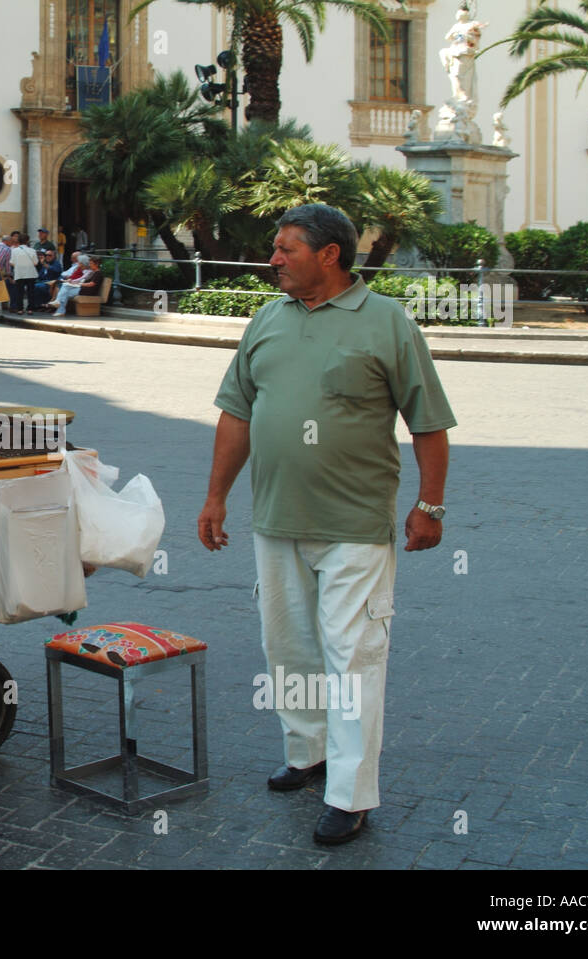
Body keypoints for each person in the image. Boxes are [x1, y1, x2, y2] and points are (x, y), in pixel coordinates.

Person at [197, 204, 455, 846]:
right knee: (288, 650)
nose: (274, 260)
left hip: (355, 525)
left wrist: (431, 504)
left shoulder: (387, 321)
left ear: (330, 255)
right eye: (275, 249)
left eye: (286, 249)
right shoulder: (267, 319)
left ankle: (350, 795)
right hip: (275, 519)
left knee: (354, 659)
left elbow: (428, 420)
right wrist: (215, 498)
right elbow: (236, 415)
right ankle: (307, 753)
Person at [8, 233, 39, 315]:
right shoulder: (32, 251)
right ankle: (30, 309)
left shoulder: (14, 251)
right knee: (30, 292)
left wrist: (19, 265)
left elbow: (11, 262)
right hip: (30, 273)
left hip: (19, 273)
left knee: (19, 292)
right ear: (27, 241)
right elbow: (36, 263)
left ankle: (20, 309)